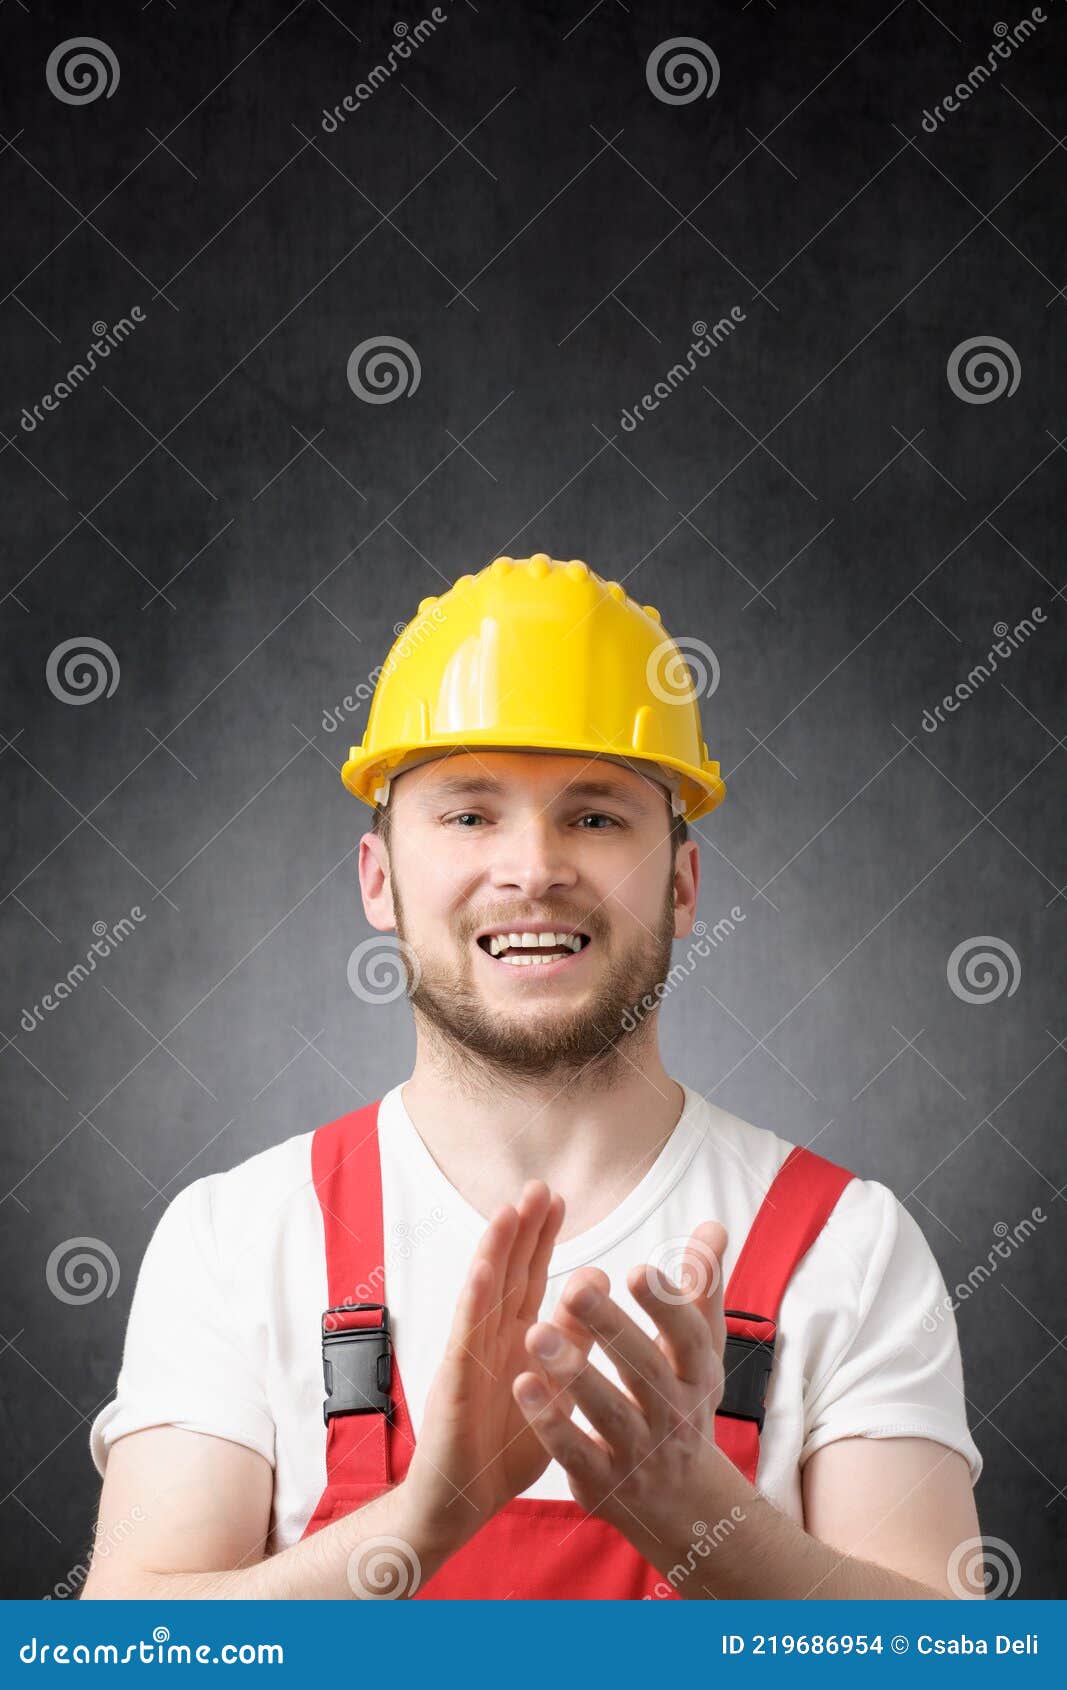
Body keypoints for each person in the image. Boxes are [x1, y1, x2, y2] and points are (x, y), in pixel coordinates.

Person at [82, 553, 983, 1600]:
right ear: (379, 880)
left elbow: (955, 1663)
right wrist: (424, 1517)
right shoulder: (238, 1237)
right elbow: (123, 1655)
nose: (533, 868)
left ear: (682, 885)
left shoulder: (846, 1245)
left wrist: (705, 1524)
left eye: (594, 816)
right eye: (469, 815)